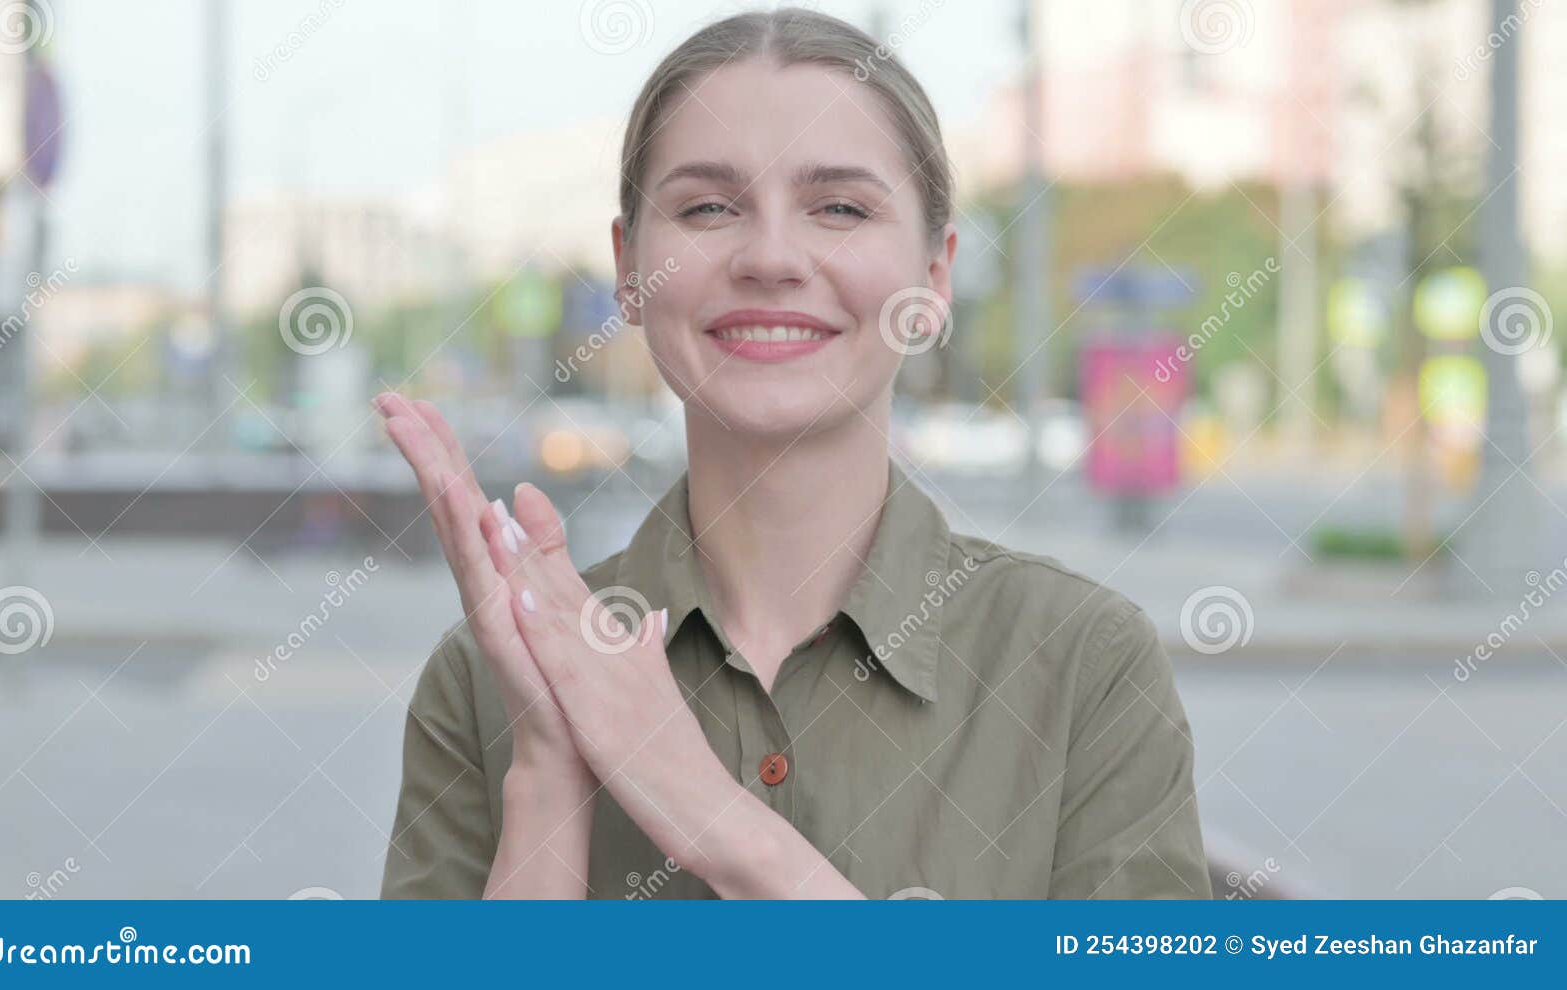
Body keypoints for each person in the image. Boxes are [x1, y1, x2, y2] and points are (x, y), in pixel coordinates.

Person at [377, 6, 1210, 899]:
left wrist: (714, 816)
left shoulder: (1081, 662)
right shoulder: (485, 679)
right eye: (707, 207)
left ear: (935, 276)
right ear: (629, 270)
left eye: (840, 208)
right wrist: (546, 775)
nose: (771, 257)